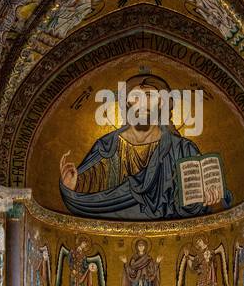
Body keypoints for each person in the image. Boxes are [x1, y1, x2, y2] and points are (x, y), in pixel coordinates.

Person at [58, 73, 228, 220]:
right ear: (127, 103)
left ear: (161, 103)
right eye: (135, 97)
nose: (142, 103)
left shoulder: (182, 150)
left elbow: (188, 209)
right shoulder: (107, 147)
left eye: (149, 96)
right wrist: (70, 187)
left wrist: (207, 200)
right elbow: (89, 198)